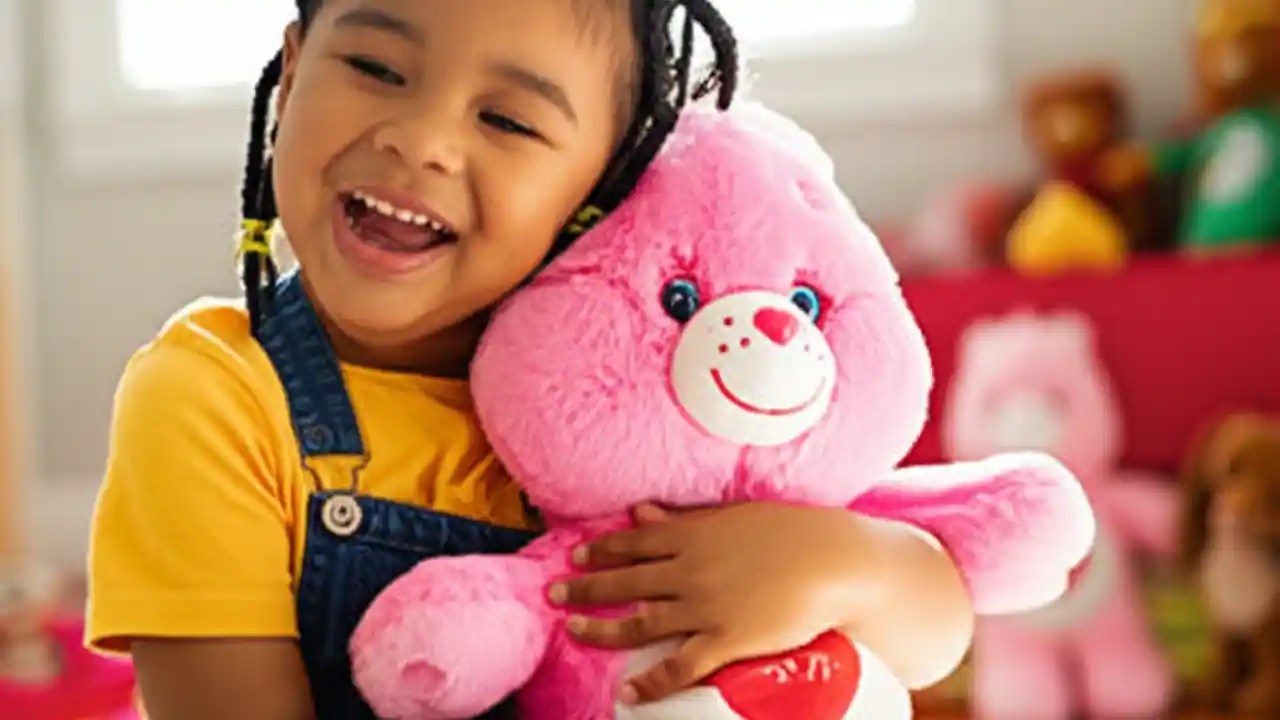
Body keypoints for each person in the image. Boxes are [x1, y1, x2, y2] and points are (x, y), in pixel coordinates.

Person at [85, 1, 973, 719]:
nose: (422, 140)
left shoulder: (649, 378)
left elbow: (936, 632)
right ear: (289, 76)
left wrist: (840, 562)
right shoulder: (213, 397)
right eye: (376, 69)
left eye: (507, 119)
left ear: (604, 182)